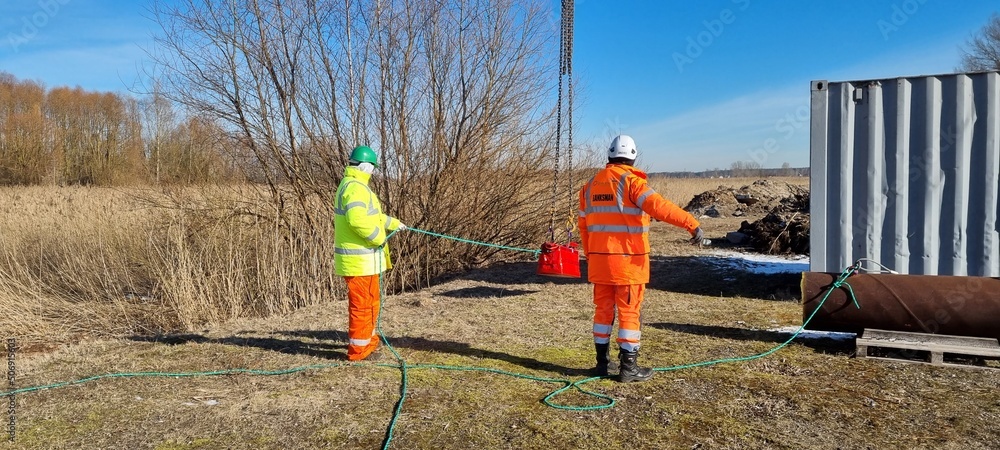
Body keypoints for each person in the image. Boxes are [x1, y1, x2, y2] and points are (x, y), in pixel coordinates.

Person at [578, 135, 703, 382]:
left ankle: (602, 364)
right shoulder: (632, 183)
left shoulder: (589, 187)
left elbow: (584, 227)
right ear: (633, 158)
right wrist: (692, 224)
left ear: (610, 156)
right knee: (629, 312)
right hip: (627, 263)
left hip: (600, 263)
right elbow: (661, 207)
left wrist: (591, 254)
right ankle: (628, 368)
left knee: (602, 310)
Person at [334, 145, 407, 361]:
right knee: (362, 307)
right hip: (359, 262)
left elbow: (372, 216)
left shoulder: (356, 186)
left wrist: (394, 224)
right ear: (366, 166)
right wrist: (379, 238)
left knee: (371, 303)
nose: (373, 172)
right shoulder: (355, 187)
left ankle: (369, 343)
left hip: (365, 262)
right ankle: (359, 351)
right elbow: (358, 221)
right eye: (373, 167)